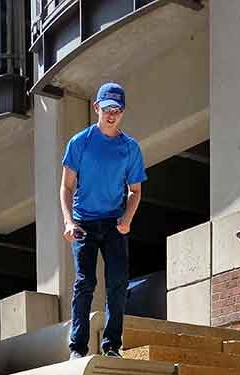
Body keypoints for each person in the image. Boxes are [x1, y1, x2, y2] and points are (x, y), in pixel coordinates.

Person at [60, 82, 147, 359]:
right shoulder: (80, 142)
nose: (111, 115)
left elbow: (135, 191)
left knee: (118, 283)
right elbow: (66, 187)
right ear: (96, 108)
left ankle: (111, 346)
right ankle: (78, 347)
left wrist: (127, 219)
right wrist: (68, 222)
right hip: (84, 221)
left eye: (117, 110)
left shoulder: (130, 148)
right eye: (107, 109)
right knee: (85, 283)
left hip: (114, 223)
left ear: (122, 113)